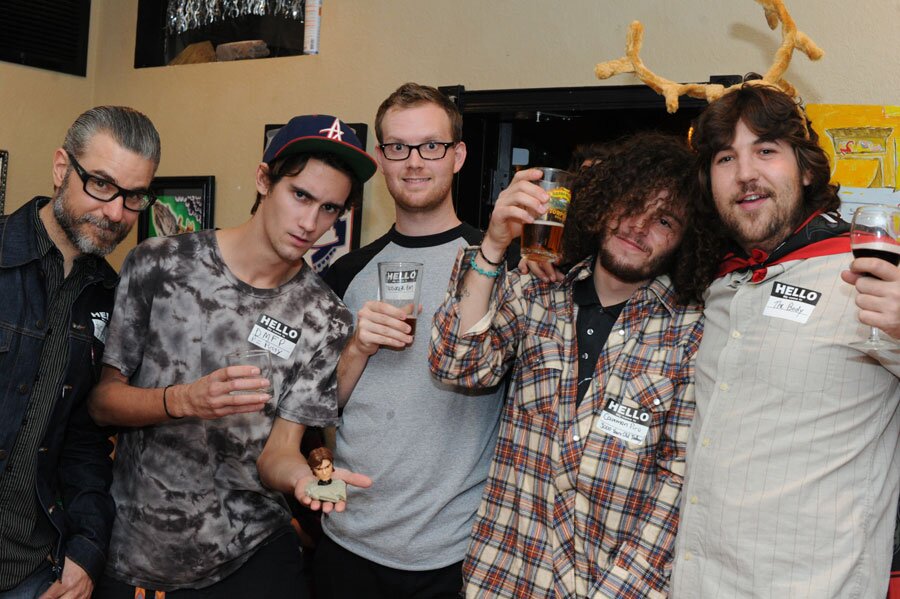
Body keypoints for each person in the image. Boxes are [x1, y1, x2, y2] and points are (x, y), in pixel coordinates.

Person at [87, 114, 376, 598]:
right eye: (300, 195)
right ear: (264, 180)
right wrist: (181, 400)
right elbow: (102, 403)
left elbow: (279, 452)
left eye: (329, 209)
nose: (310, 223)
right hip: (139, 552)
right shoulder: (159, 264)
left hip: (251, 552)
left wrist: (302, 478)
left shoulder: (327, 317)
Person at [429, 131, 706, 598]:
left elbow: (679, 487)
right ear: (602, 203)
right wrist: (495, 246)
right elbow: (457, 365)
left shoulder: (693, 333)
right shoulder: (536, 293)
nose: (637, 226)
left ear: (686, 239)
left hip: (609, 587)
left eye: (663, 220)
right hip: (502, 578)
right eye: (631, 204)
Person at [669, 83, 900, 598]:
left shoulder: (871, 276)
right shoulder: (719, 285)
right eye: (726, 157)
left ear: (809, 169)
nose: (745, 172)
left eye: (766, 151)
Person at [314, 82, 506, 599]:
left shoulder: (495, 266)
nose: (414, 162)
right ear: (381, 158)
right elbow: (313, 408)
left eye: (431, 146)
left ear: (458, 155)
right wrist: (356, 347)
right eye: (398, 147)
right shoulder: (346, 272)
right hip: (348, 537)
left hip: (452, 552)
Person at [0, 106, 160, 599]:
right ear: (60, 168)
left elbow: (84, 441)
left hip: (32, 569)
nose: (116, 213)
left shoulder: (114, 300)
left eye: (133, 197)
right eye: (101, 185)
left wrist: (87, 549)